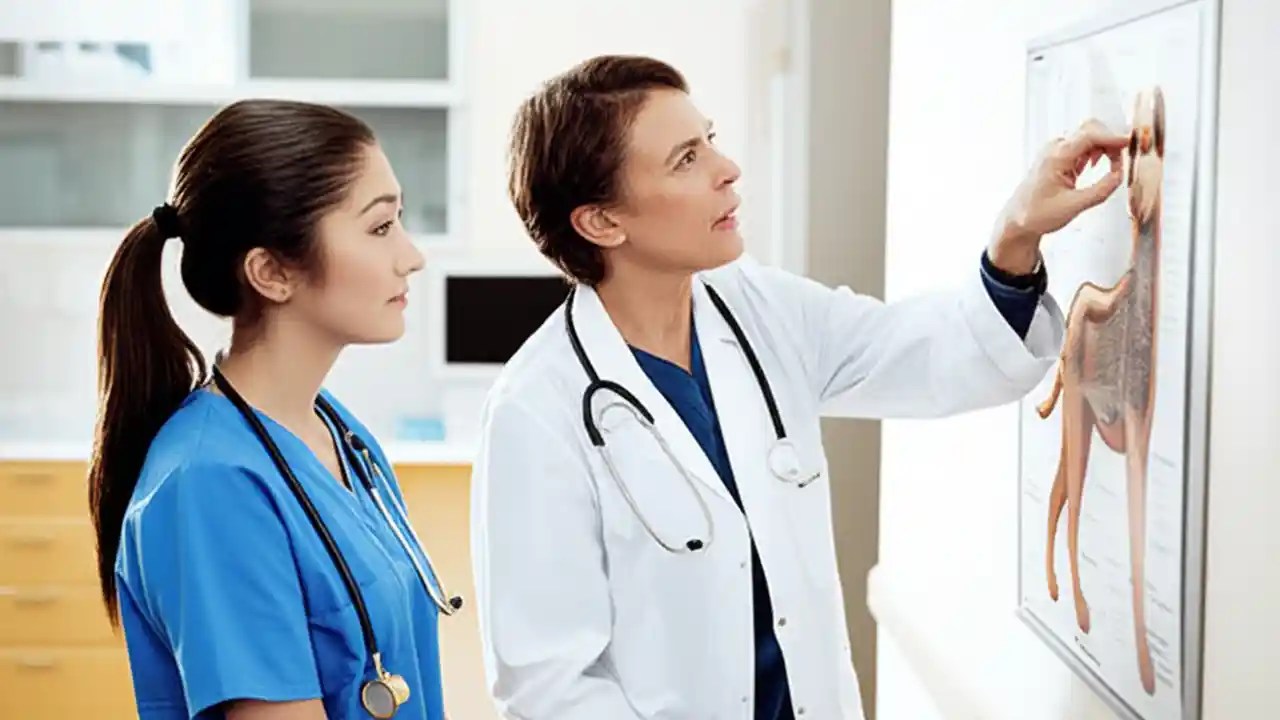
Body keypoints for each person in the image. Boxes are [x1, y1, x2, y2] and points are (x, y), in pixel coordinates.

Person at [469, 55, 1127, 719]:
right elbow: (550, 687)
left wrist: (1018, 229)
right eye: (686, 159)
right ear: (602, 222)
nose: (727, 170)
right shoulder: (537, 411)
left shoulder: (758, 307)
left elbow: (935, 352)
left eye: (711, 140)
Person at [88, 99, 460, 720]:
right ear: (271, 272)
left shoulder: (340, 435)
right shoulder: (210, 487)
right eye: (379, 227)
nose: (411, 255)